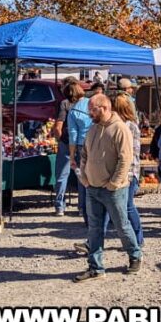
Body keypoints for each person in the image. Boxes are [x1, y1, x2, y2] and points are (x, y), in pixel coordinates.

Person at [73, 94, 142, 282]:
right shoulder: (93, 129)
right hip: (92, 187)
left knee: (121, 225)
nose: (90, 114)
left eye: (92, 110)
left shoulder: (120, 129)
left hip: (114, 189)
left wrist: (113, 182)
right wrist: (85, 177)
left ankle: (135, 256)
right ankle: (96, 267)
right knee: (94, 229)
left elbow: (125, 158)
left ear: (103, 108)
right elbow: (84, 153)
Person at [109, 94, 144, 247]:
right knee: (111, 206)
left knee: (128, 206)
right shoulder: (115, 125)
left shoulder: (130, 126)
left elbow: (130, 154)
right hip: (118, 171)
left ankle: (138, 238)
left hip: (129, 173)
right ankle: (93, 241)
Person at [53, 81, 84, 217]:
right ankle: (82, 207)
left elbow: (58, 126)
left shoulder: (64, 104)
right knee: (81, 175)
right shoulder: (85, 104)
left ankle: (60, 206)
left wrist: (60, 140)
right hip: (82, 142)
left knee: (61, 175)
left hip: (67, 141)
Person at [68, 90, 94, 231]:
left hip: (80, 146)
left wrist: (72, 155)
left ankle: (86, 215)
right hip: (95, 144)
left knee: (83, 181)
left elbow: (73, 135)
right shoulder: (91, 104)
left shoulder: (73, 111)